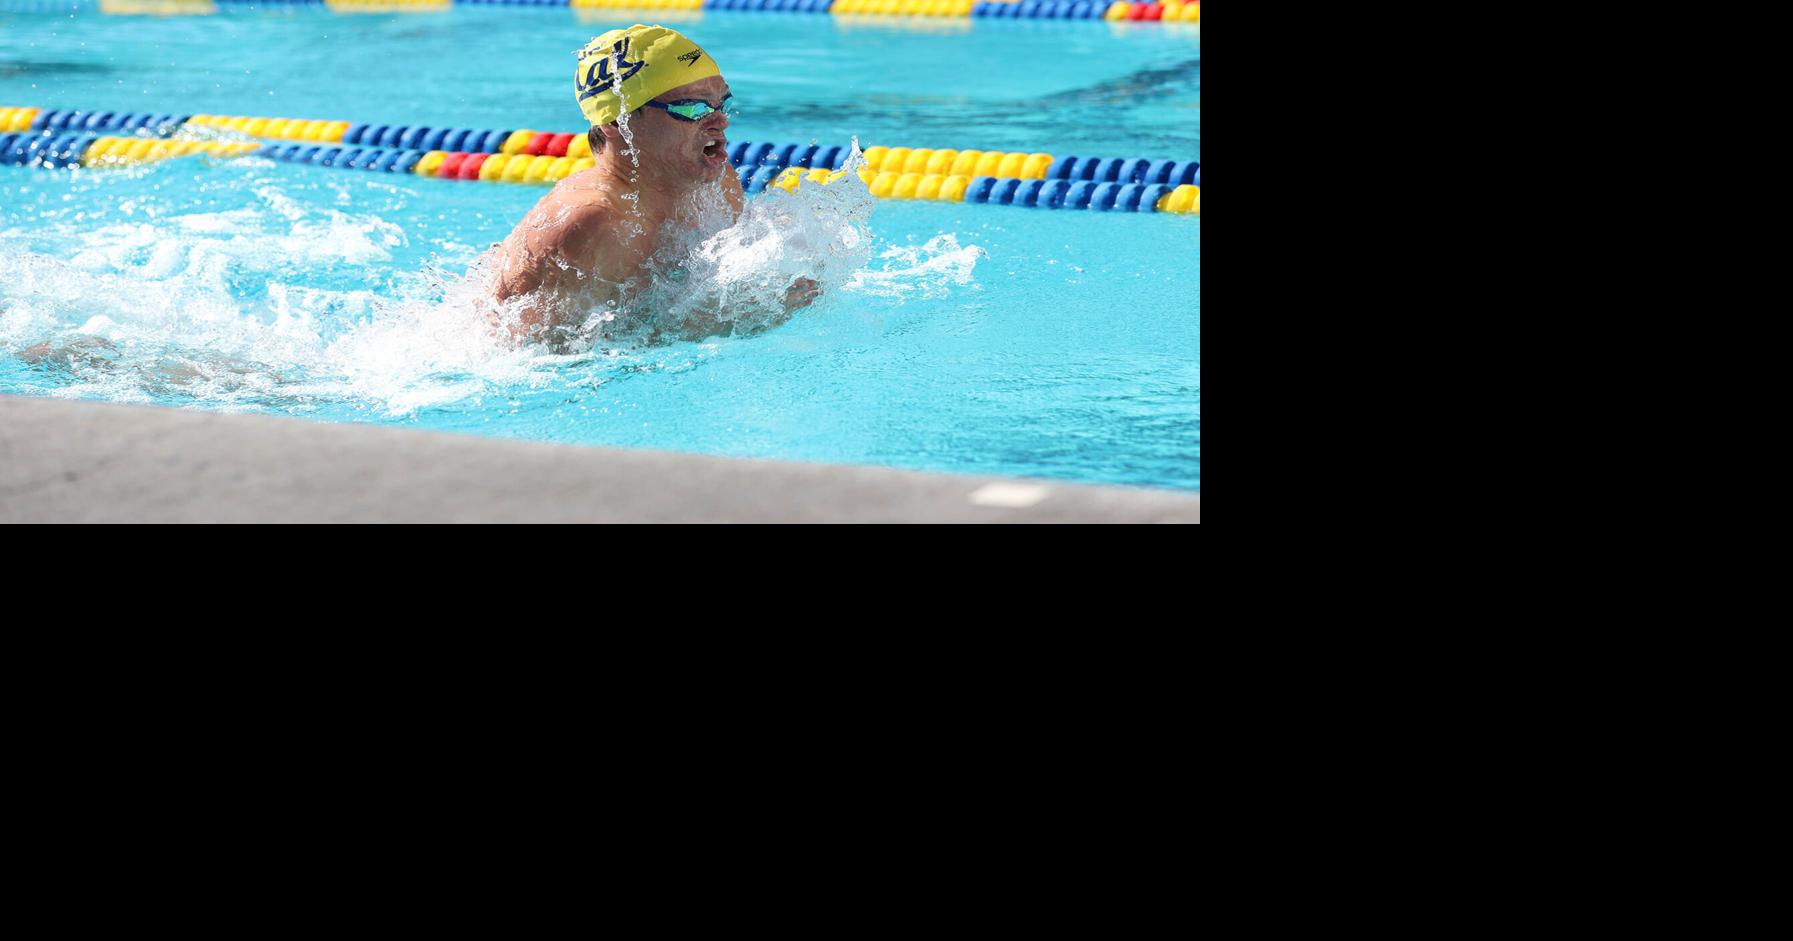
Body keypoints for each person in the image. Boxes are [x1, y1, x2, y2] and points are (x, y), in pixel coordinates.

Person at [484, 24, 818, 344]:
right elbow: (530, 359)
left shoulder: (716, 184)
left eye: (722, 104)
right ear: (615, 121)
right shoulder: (590, 223)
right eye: (692, 108)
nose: (720, 120)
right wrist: (733, 321)